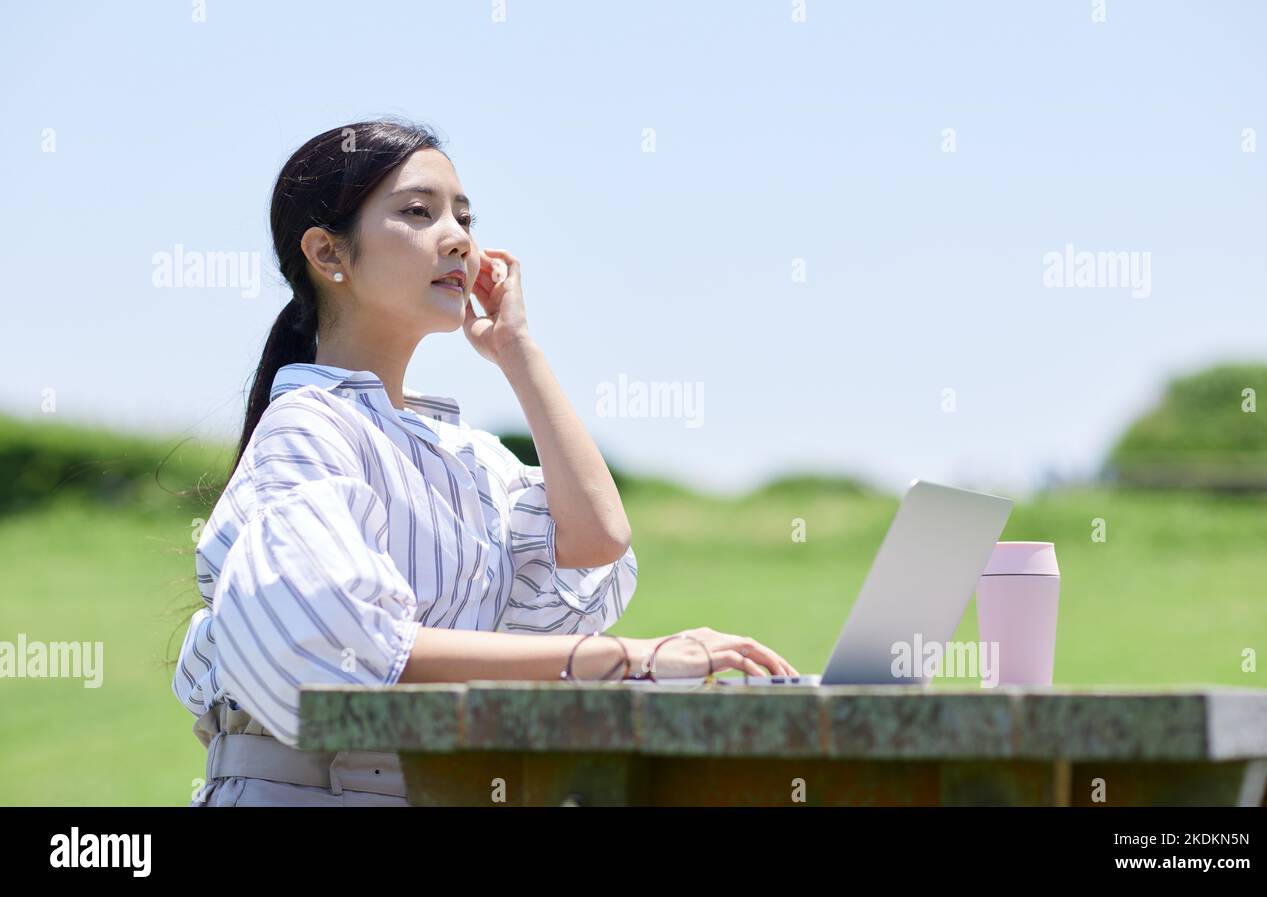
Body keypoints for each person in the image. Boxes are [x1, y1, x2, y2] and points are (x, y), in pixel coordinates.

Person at [172, 119, 798, 806]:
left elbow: (597, 541)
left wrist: (516, 349)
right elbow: (353, 649)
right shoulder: (305, 428)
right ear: (328, 253)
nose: (459, 237)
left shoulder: (464, 453)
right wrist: (627, 658)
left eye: (465, 217)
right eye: (418, 212)